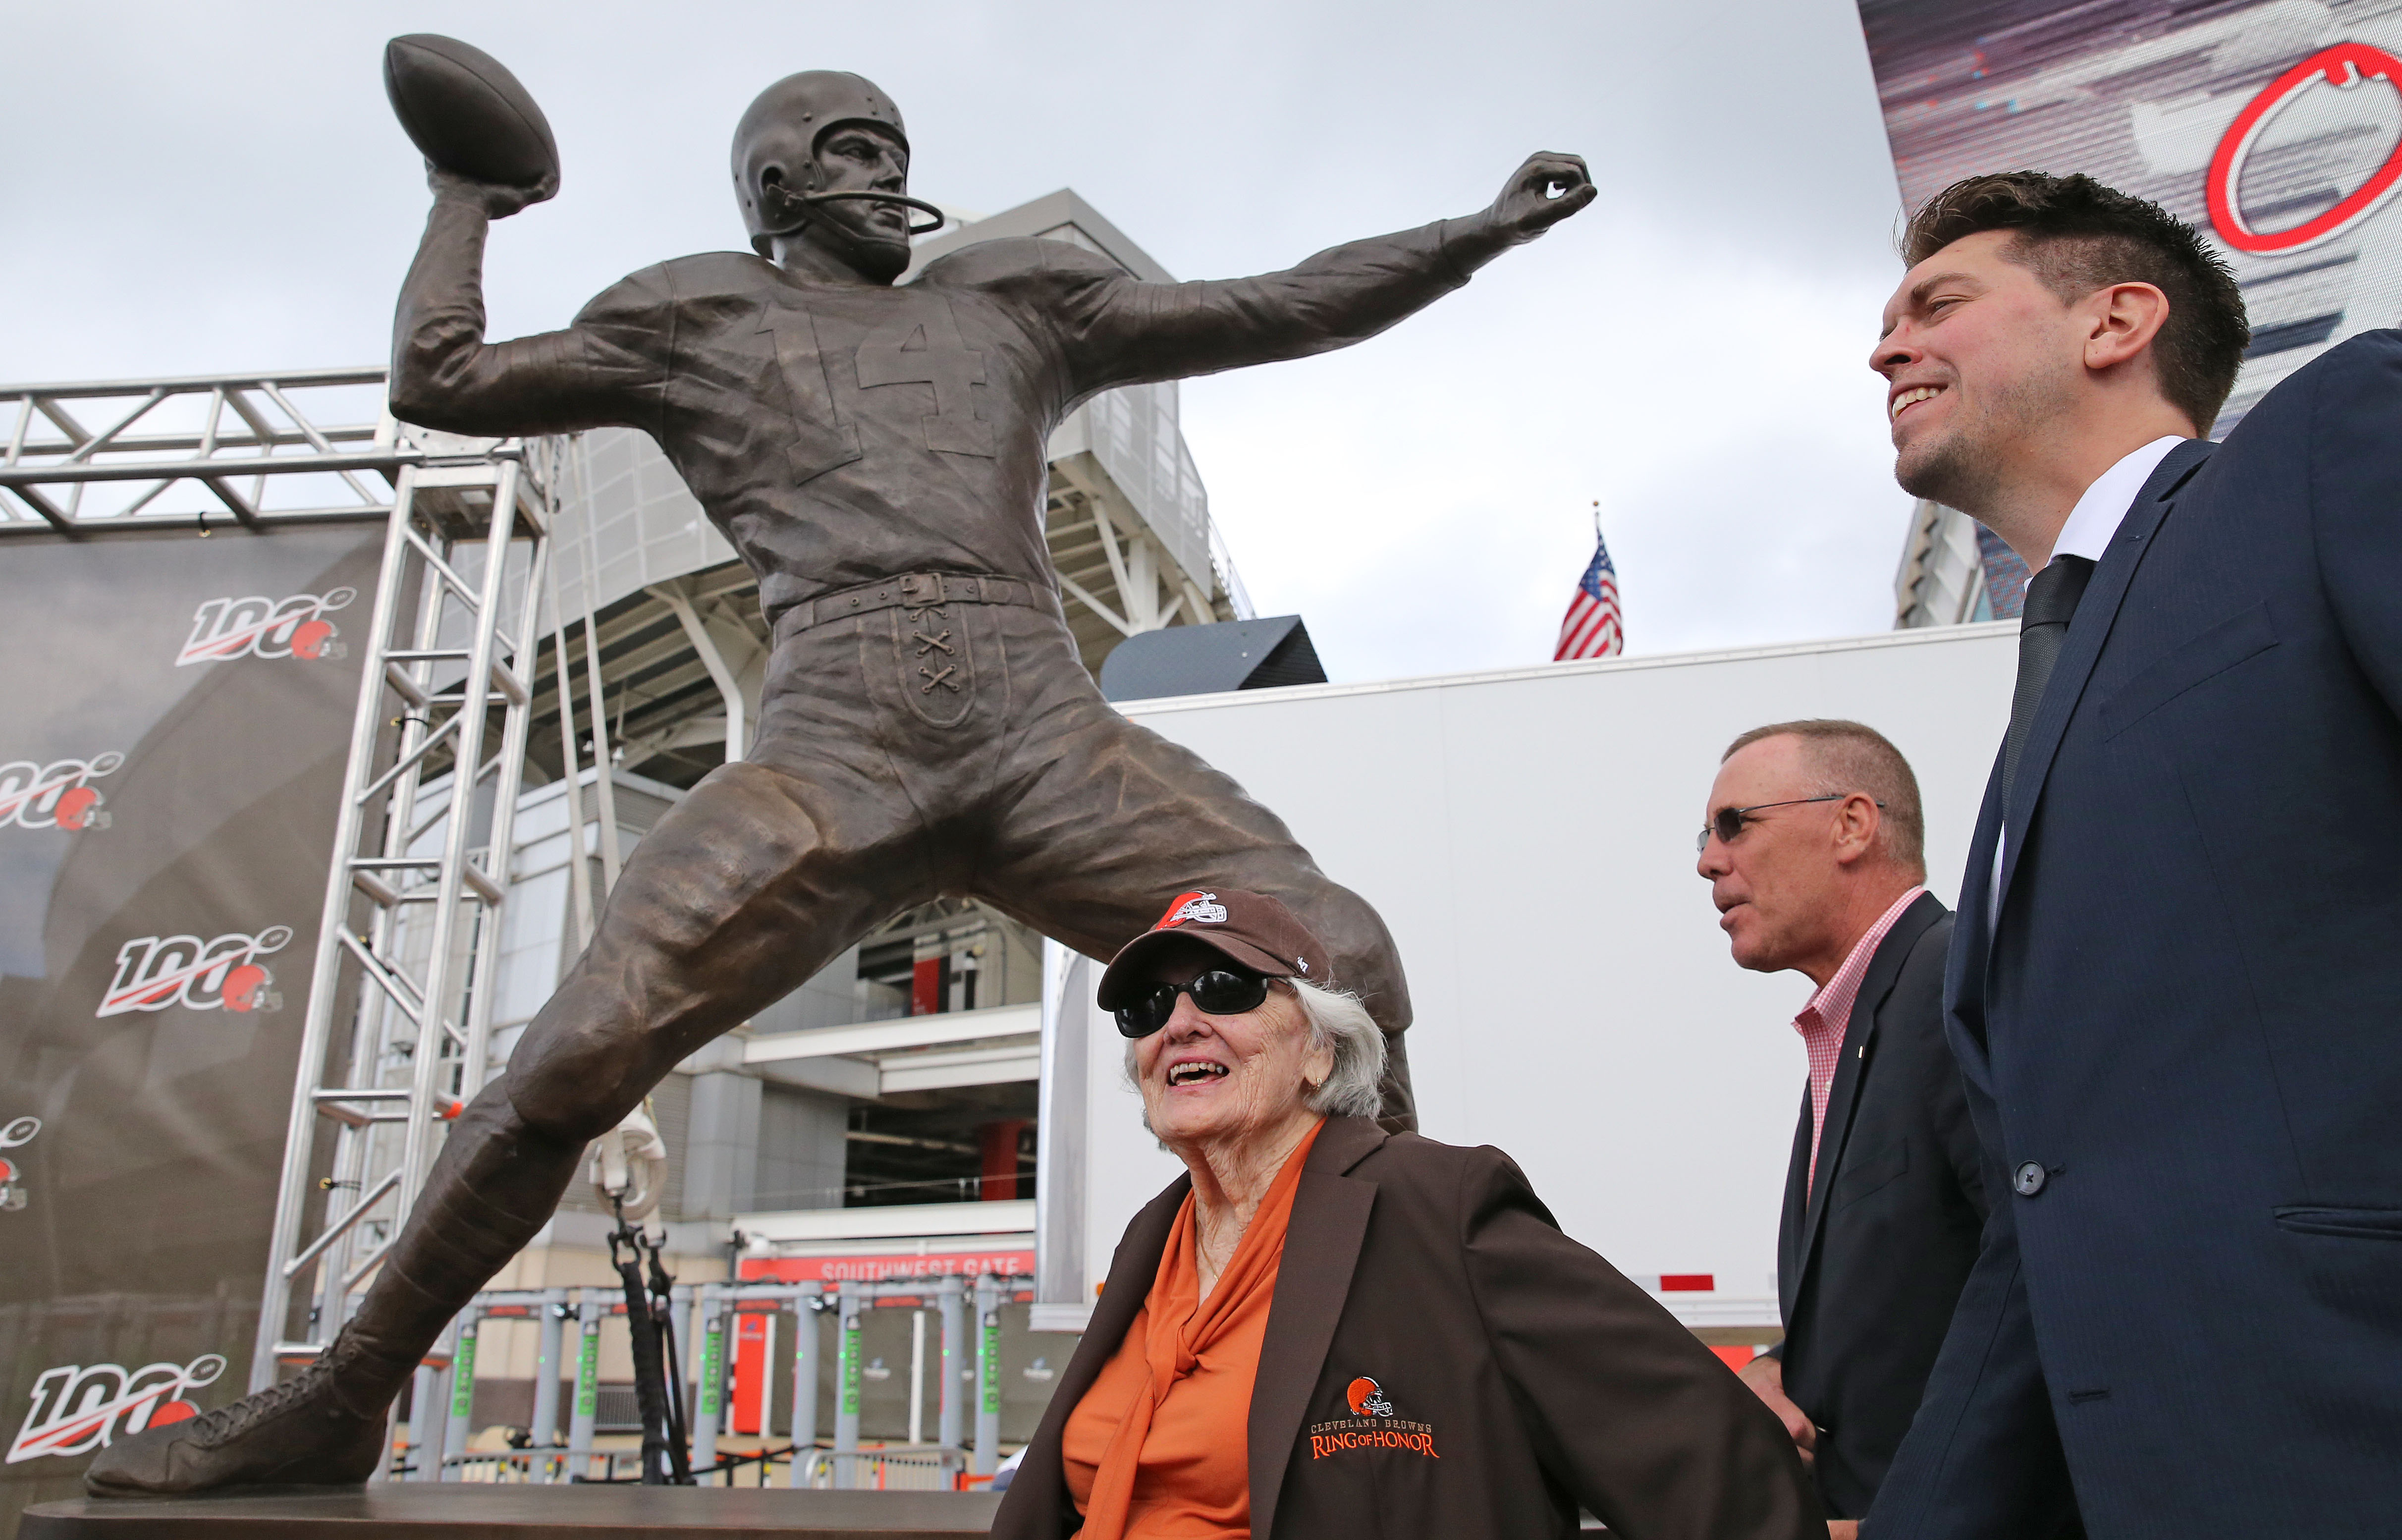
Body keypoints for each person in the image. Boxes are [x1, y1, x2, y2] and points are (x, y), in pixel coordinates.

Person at [86, 72, 1595, 1495]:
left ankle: (1426, 1357)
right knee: (565, 1064)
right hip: (829, 733)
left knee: (1339, 948)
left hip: (1037, 719)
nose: (893, 175)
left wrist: (1469, 233)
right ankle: (340, 1394)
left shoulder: (1011, 303)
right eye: (858, 150)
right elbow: (445, 376)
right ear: (778, 182)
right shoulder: (692, 312)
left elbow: (1271, 306)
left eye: (898, 150)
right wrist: (466, 194)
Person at [1864, 171, 2402, 1538]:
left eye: (1937, 302)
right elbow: (2044, 1217)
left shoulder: (2334, 441)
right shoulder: (2030, 736)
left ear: (2116, 319)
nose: (1884, 346)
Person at [992, 886, 1827, 1540]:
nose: (1178, 1024)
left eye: (1225, 989)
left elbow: (1708, 1462)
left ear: (1319, 1049)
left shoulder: (1440, 1208)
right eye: (1145, 1009)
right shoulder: (1153, 1237)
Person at [1696, 721, 1986, 1536]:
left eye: (1735, 825)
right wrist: (1781, 1367)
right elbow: (1915, 1293)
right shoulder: (1854, 1024)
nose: (1709, 861)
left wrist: (1914, 1521)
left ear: (1852, 825)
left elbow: (2046, 1291)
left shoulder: (1957, 983)